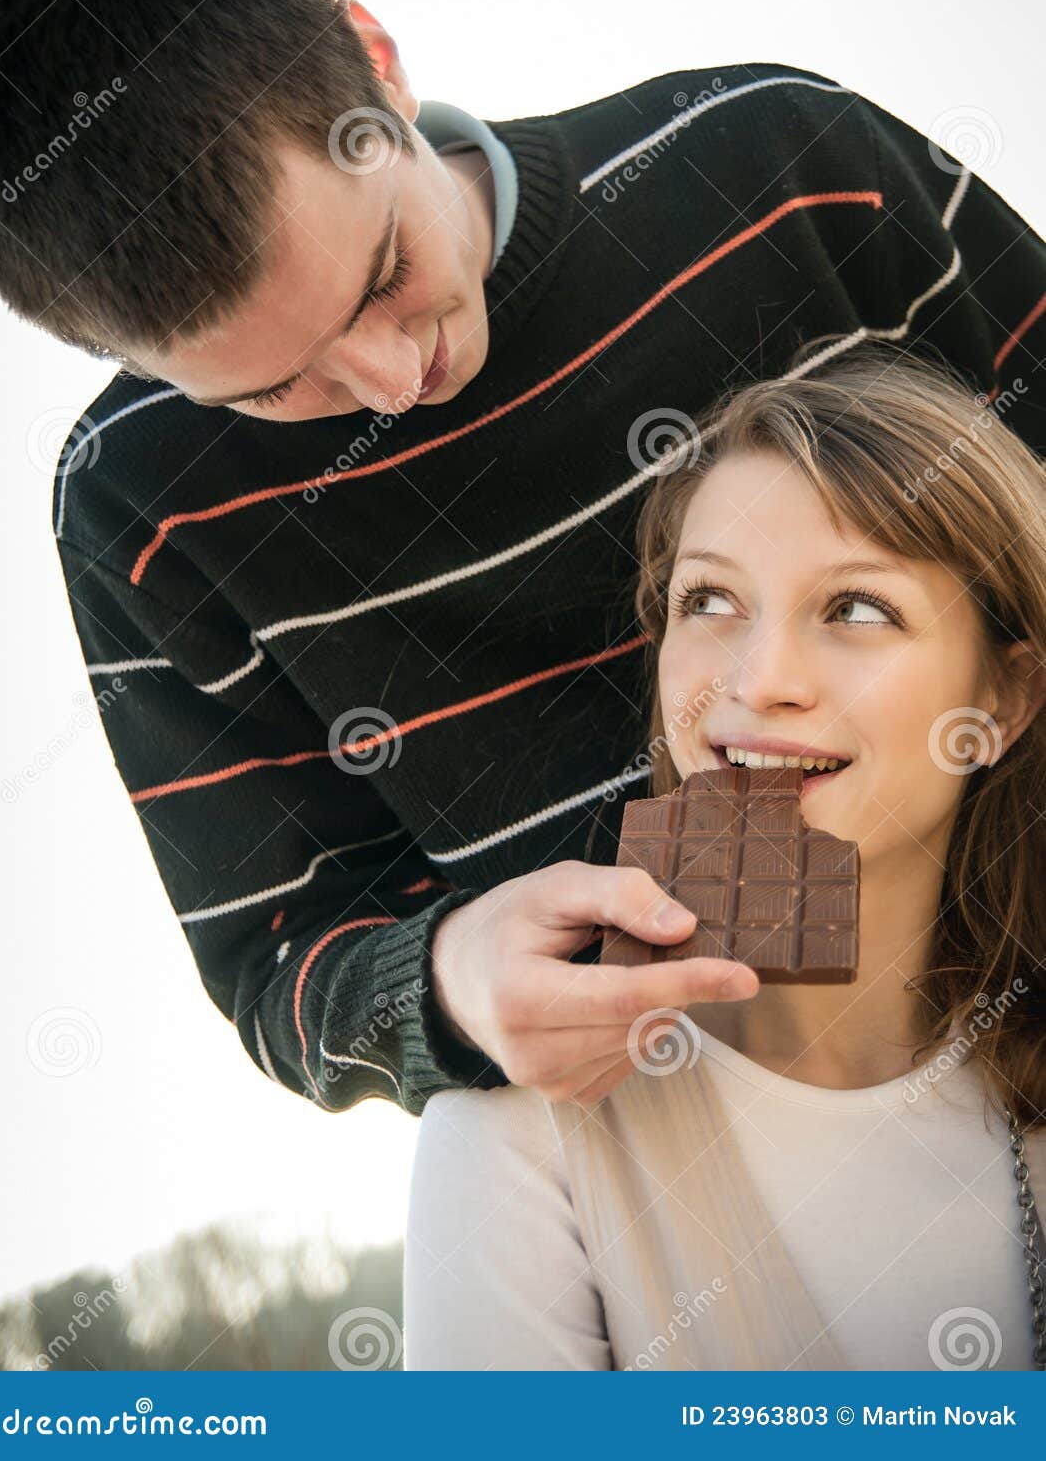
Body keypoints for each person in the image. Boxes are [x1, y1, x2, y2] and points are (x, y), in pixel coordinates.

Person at [0, 0, 1043, 1118]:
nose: (392, 377)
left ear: (374, 63)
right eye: (276, 388)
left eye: (385, 273)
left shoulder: (781, 167)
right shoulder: (137, 504)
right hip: (673, 1163)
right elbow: (280, 962)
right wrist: (443, 983)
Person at [404, 348, 1046, 1370]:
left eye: (856, 609)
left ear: (1003, 700)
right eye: (708, 601)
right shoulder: (520, 1141)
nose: (759, 678)